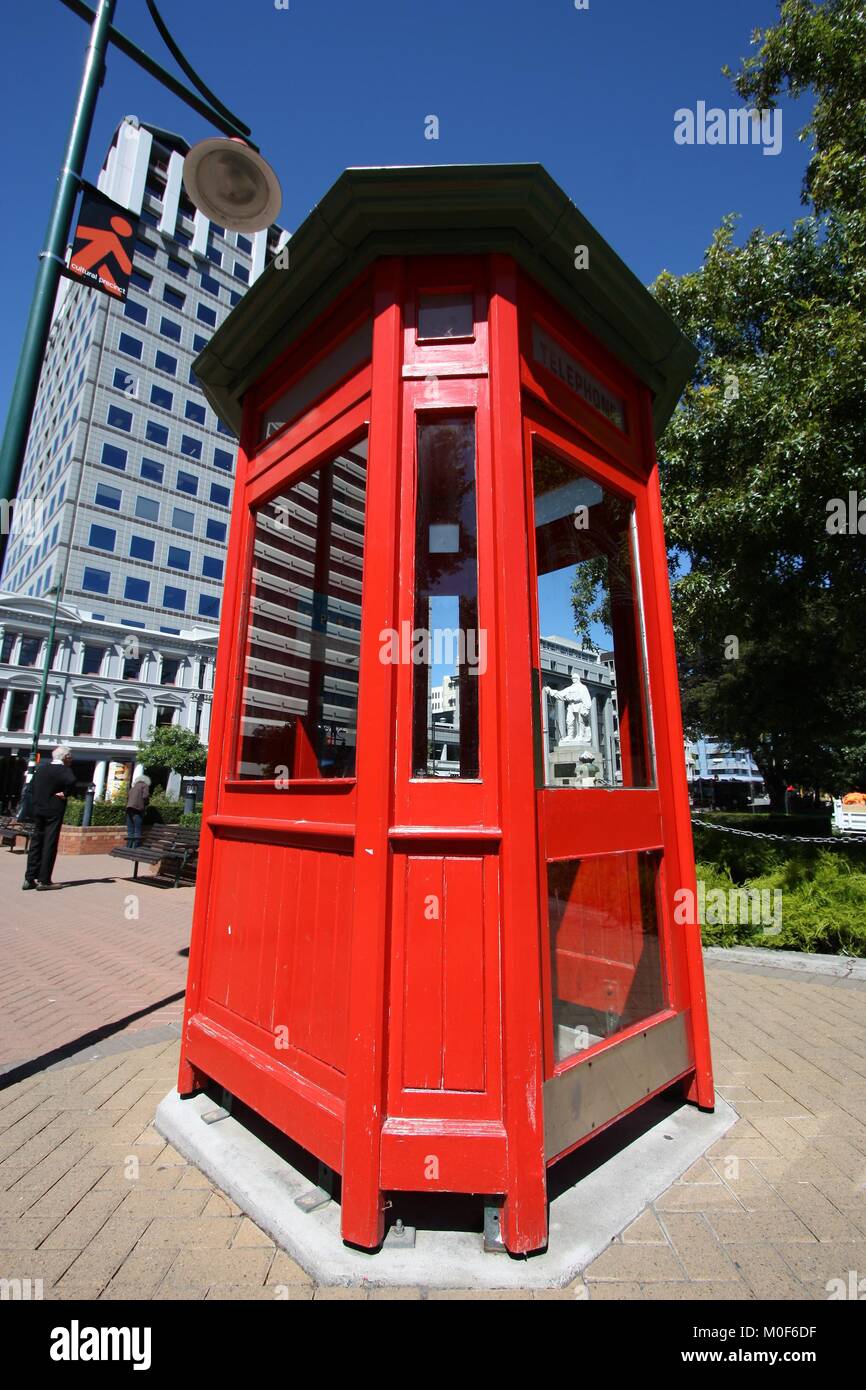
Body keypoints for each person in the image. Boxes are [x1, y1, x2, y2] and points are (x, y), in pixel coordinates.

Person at [23, 746, 76, 891]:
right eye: (70, 757)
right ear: (65, 757)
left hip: (38, 809)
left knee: (36, 843)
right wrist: (65, 793)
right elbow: (72, 781)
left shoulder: (42, 769)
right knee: (49, 843)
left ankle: (29, 878)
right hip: (53, 810)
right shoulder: (64, 770)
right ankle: (44, 880)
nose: (71, 760)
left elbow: (31, 786)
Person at [125, 773, 151, 847]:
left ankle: (128, 847)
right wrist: (146, 803)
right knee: (137, 830)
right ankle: (136, 847)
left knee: (130, 830)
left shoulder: (133, 787)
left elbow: (128, 797)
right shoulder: (144, 785)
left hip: (129, 809)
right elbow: (145, 796)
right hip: (137, 809)